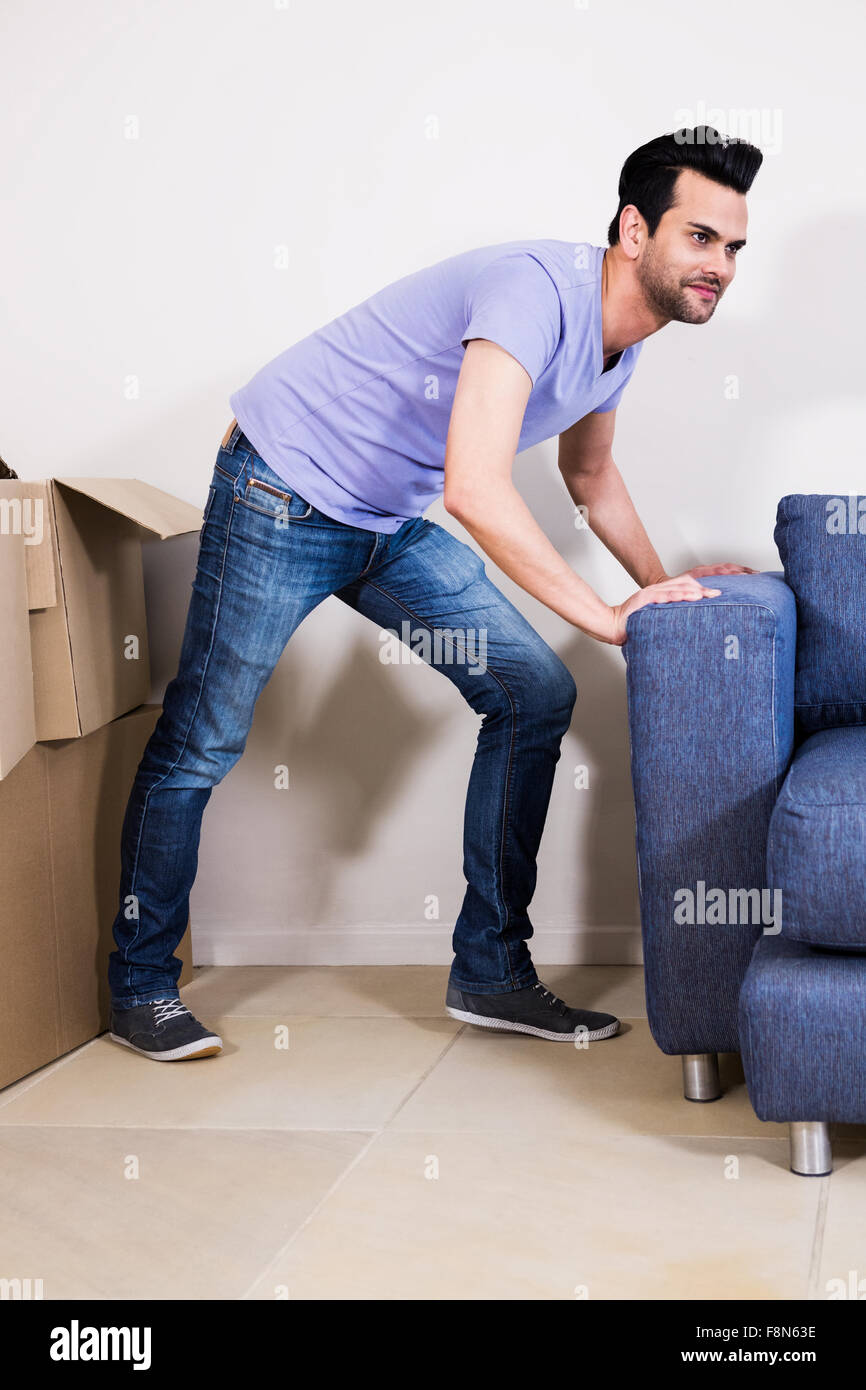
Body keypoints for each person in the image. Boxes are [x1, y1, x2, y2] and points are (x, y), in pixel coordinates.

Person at [108, 125, 762, 1062]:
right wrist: (608, 617)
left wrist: (668, 586)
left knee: (534, 692)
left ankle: (490, 972)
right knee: (203, 740)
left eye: (735, 248)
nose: (722, 267)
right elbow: (477, 488)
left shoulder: (628, 339)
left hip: (382, 518)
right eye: (701, 238)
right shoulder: (536, 292)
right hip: (280, 492)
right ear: (633, 230)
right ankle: (138, 986)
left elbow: (593, 475)